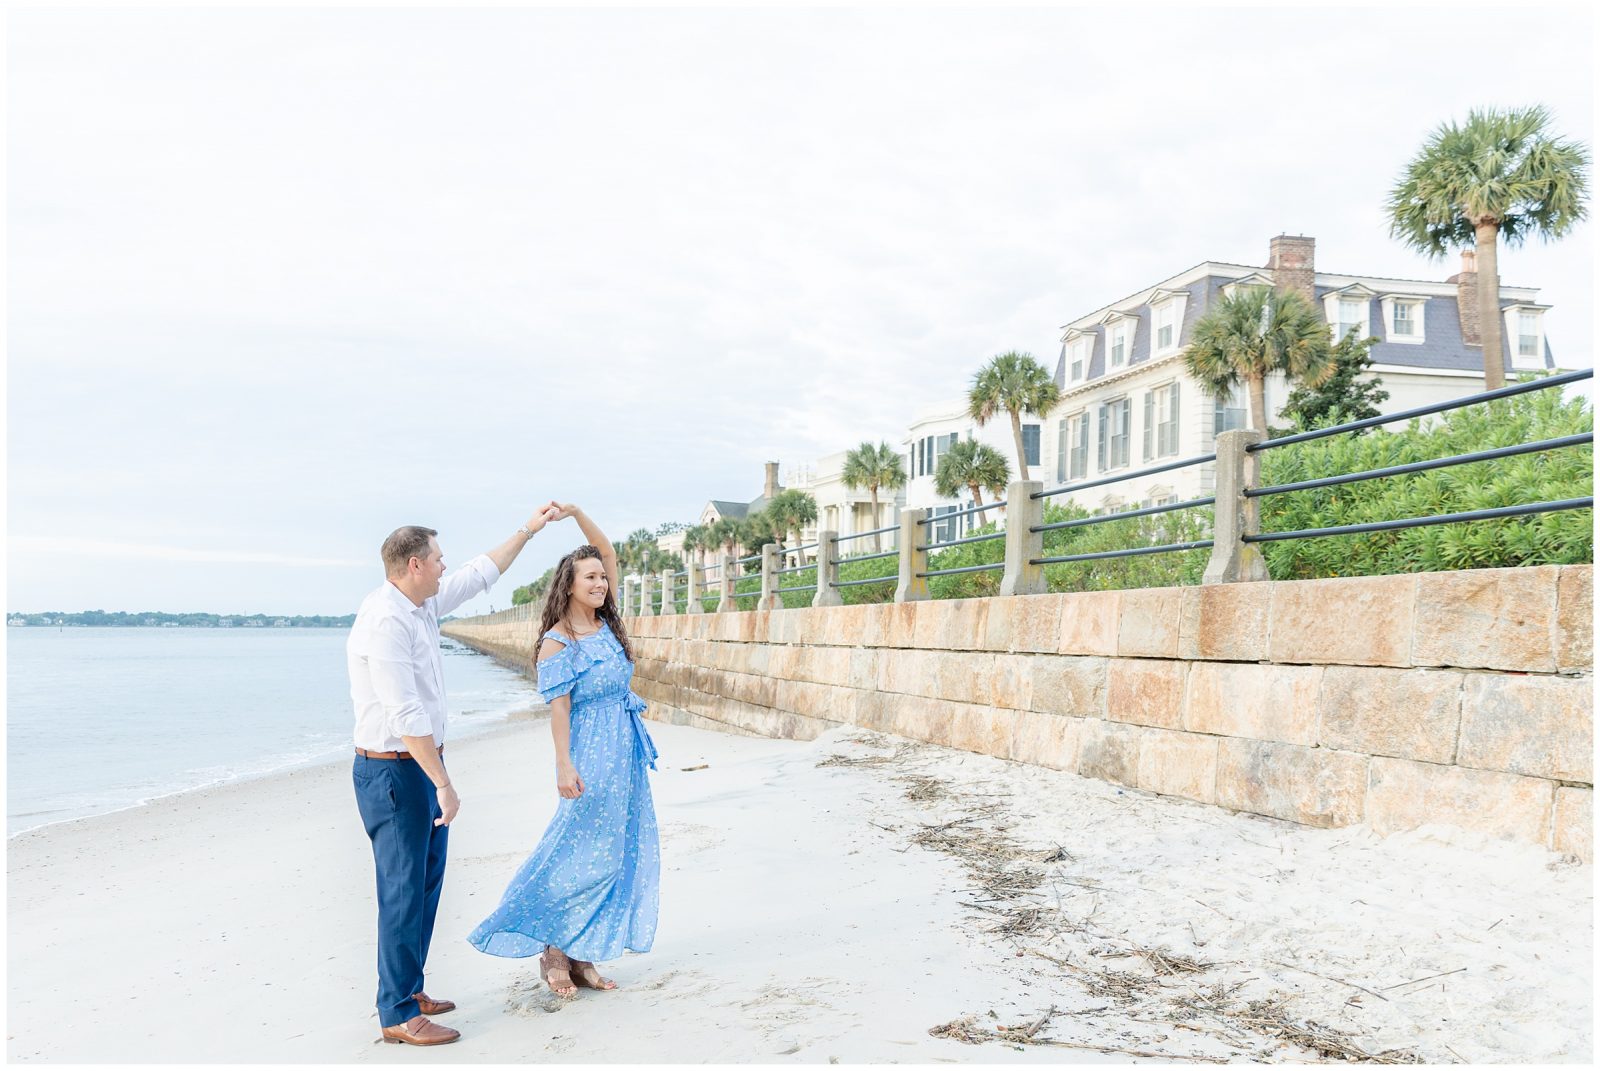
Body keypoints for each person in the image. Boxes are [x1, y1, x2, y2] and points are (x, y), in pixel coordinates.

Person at [349, 507, 558, 1047]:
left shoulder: (421, 604)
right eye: (438, 559)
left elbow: (482, 572)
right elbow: (404, 716)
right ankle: (396, 1011)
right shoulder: (387, 620)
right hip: (393, 772)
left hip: (416, 765)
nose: (446, 567)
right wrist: (442, 782)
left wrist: (529, 530)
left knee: (424, 884)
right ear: (414, 563)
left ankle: (410, 988)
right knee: (401, 891)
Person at [467, 503, 660, 998]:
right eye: (590, 577)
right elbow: (559, 713)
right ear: (569, 585)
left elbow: (610, 550)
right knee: (576, 851)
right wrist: (563, 765)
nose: (600, 582)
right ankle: (553, 948)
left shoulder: (607, 626)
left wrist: (575, 513)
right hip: (589, 754)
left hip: (626, 754)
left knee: (614, 853)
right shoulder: (557, 643)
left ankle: (580, 952)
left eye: (602, 576)